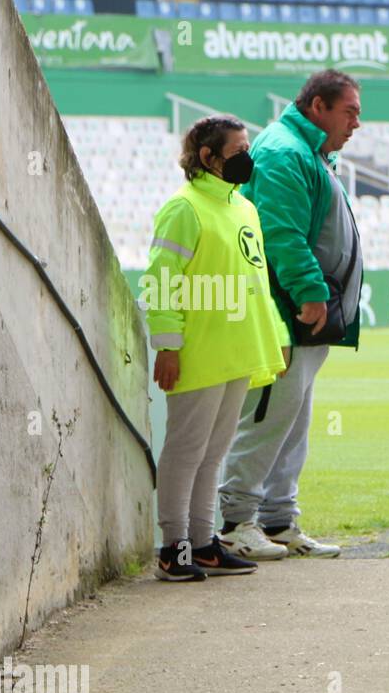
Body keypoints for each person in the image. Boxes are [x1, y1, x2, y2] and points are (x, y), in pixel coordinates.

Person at [217, 70, 363, 560]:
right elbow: (280, 233)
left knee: (291, 419)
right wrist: (309, 291)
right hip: (285, 313)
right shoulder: (284, 152)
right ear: (318, 106)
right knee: (267, 414)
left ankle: (278, 519)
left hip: (304, 316)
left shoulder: (312, 153)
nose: (357, 123)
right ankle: (236, 521)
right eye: (350, 112)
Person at [144, 115, 290, 582]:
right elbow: (161, 281)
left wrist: (276, 339)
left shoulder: (243, 208)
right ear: (208, 157)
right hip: (199, 352)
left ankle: (204, 543)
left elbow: (256, 283)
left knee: (214, 453)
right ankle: (173, 548)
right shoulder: (183, 209)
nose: (247, 157)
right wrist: (167, 345)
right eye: (238, 149)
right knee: (185, 451)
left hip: (237, 353)